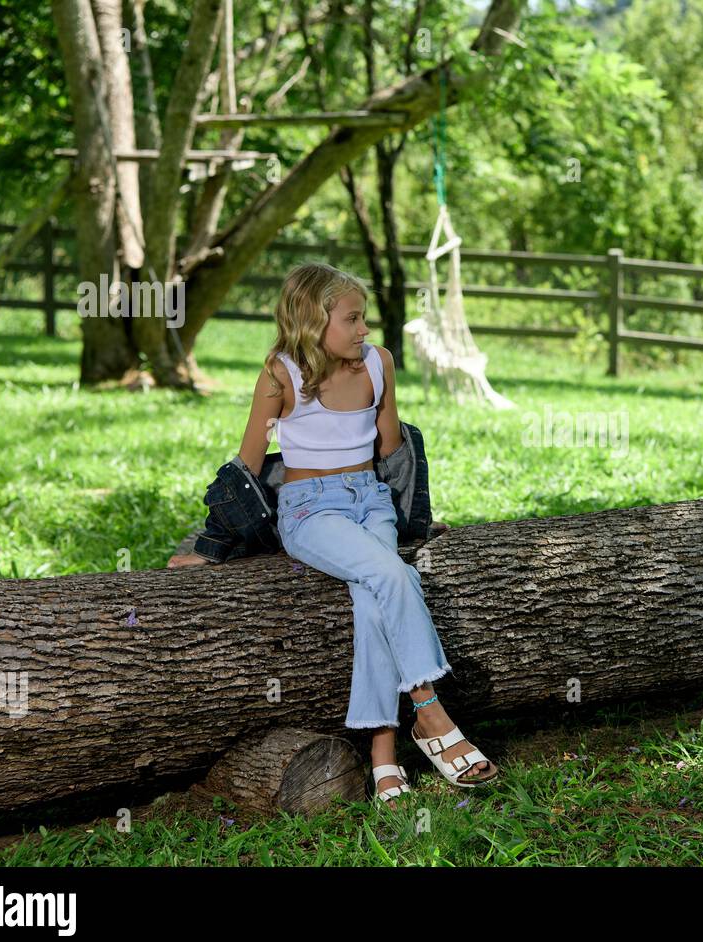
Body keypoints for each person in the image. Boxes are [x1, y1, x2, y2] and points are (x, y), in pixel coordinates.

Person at [172, 262, 498, 808]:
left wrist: (415, 521)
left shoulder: (379, 364)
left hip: (369, 500)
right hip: (307, 512)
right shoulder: (280, 376)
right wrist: (211, 547)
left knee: (374, 600)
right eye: (353, 318)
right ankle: (430, 712)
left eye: (363, 318)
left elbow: (393, 454)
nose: (364, 329)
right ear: (312, 320)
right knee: (393, 573)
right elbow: (246, 470)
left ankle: (382, 756)